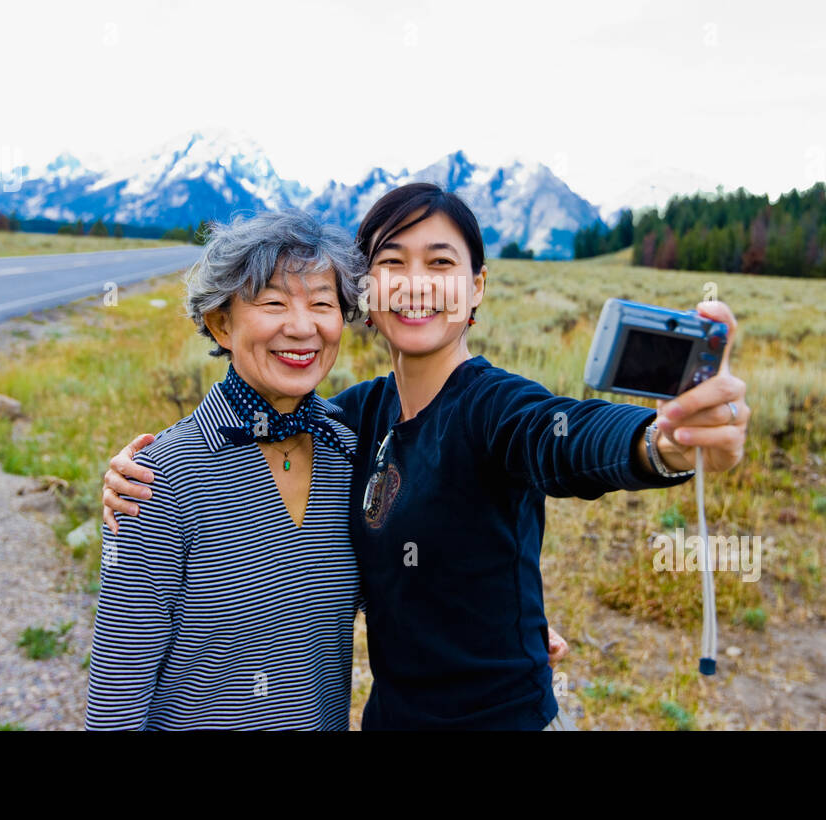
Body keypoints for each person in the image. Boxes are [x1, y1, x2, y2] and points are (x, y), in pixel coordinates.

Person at [103, 183, 751, 730]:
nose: (416, 285)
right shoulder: (348, 421)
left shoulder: (494, 407)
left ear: (475, 290)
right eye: (393, 262)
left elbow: (565, 435)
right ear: (367, 291)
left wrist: (662, 443)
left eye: (441, 264)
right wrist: (141, 470)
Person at [85, 209, 367, 729]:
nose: (302, 327)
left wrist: (514, 624)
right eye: (274, 302)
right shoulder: (158, 478)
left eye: (322, 304)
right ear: (221, 323)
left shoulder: (348, 452)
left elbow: (404, 590)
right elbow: (116, 696)